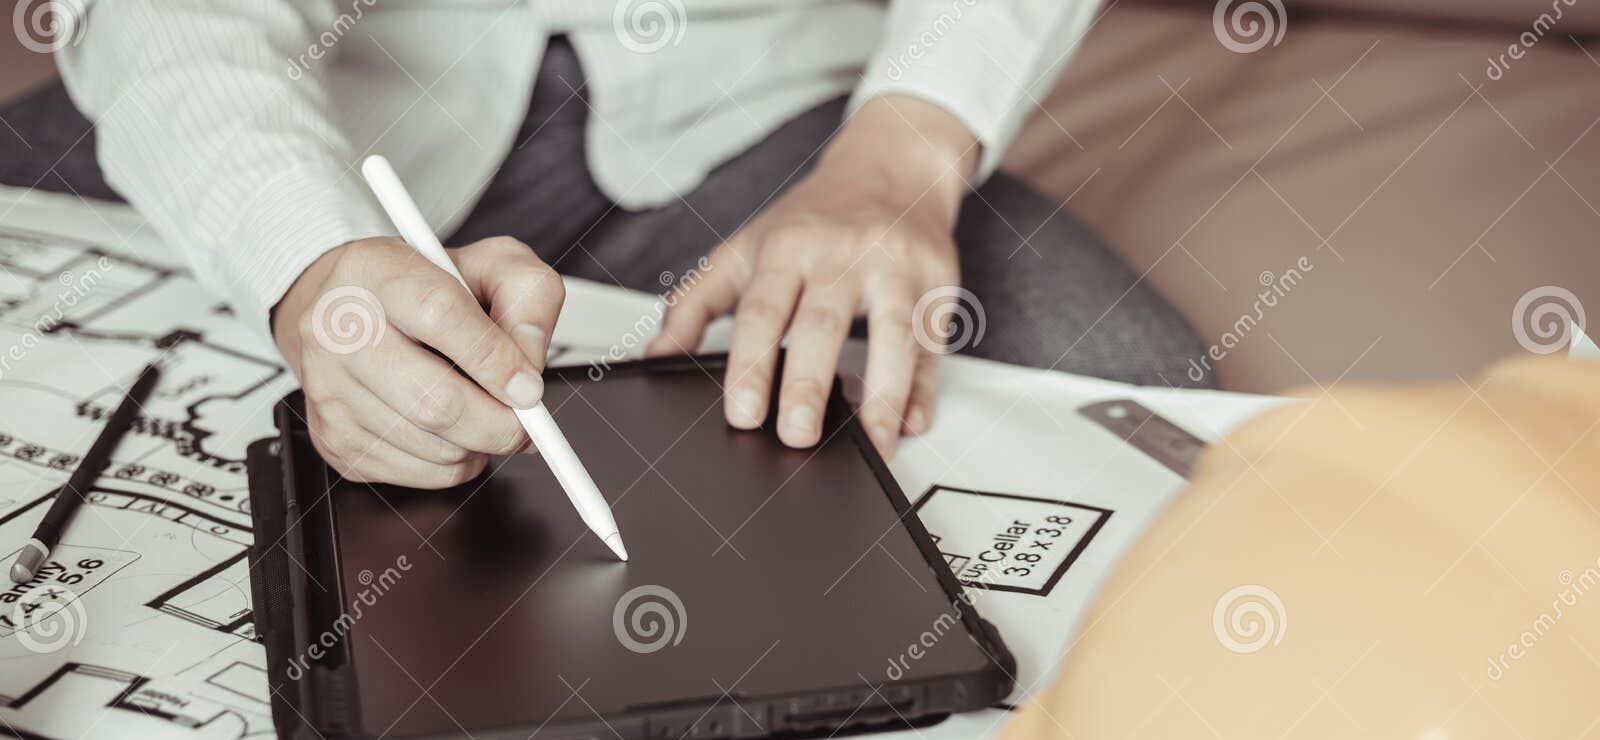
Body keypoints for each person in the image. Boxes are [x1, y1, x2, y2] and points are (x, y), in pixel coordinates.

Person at [15, 0, 1211, 487]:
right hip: (325, 89)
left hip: (780, 99)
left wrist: (904, 147)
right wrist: (301, 256)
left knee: (1144, 420)